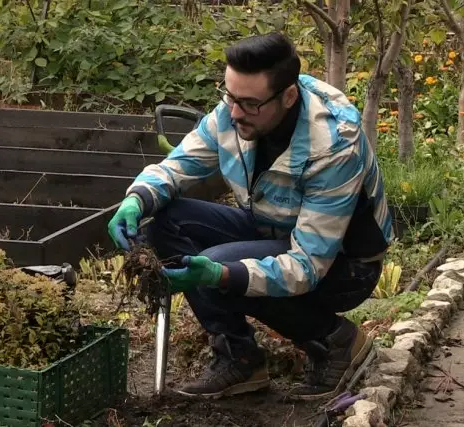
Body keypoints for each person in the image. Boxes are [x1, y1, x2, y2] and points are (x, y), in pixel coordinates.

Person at [107, 32, 393, 401]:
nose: (235, 112)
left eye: (248, 103)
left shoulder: (334, 145)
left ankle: (337, 342)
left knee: (218, 265)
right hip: (273, 228)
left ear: (288, 96)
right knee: (166, 221)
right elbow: (178, 166)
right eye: (230, 97)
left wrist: (223, 275)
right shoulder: (236, 109)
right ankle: (240, 358)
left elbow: (306, 264)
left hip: (344, 265)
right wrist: (136, 199)